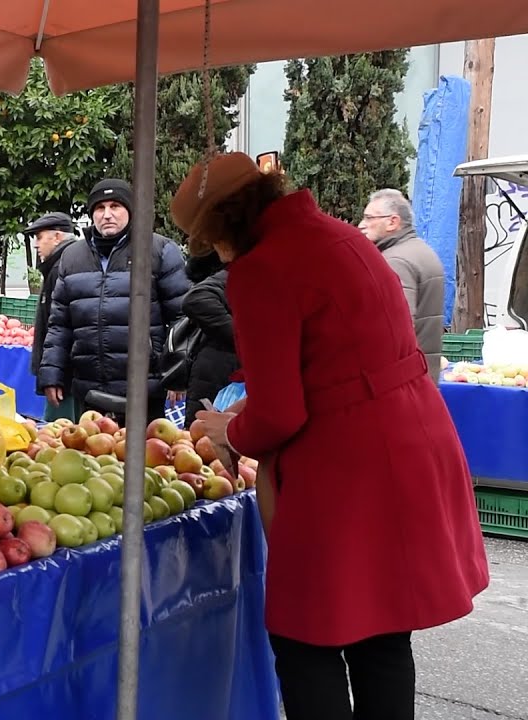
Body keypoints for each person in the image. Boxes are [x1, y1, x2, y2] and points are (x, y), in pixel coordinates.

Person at [177, 153, 488, 720]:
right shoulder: (341, 235)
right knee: (385, 629)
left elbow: (280, 416)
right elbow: (334, 360)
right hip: (412, 435)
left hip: (347, 465)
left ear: (224, 225)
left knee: (305, 636)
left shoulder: (262, 268)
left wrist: (230, 428)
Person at [38, 178, 191, 427]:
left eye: (115, 206)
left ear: (130, 210)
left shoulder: (159, 250)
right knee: (96, 462)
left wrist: (178, 372)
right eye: (100, 208)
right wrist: (52, 374)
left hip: (143, 389)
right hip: (89, 389)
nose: (107, 215)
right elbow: (59, 325)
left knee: (144, 461)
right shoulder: (72, 257)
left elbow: (181, 316)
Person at [358, 188, 444, 382]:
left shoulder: (394, 261)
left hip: (401, 382)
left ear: (392, 222)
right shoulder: (421, 251)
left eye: (370, 218)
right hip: (422, 376)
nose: (362, 225)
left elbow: (396, 328)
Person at [23, 212, 77, 420]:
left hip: (65, 377)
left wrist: (56, 374)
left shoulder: (62, 268)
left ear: (57, 237)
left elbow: (62, 326)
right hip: (64, 373)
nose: (36, 245)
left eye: (39, 237)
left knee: (61, 433)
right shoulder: (58, 266)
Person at [178, 253, 238, 424]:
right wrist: (245, 339)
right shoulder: (245, 271)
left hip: (223, 373)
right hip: (220, 375)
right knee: (204, 442)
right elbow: (197, 299)